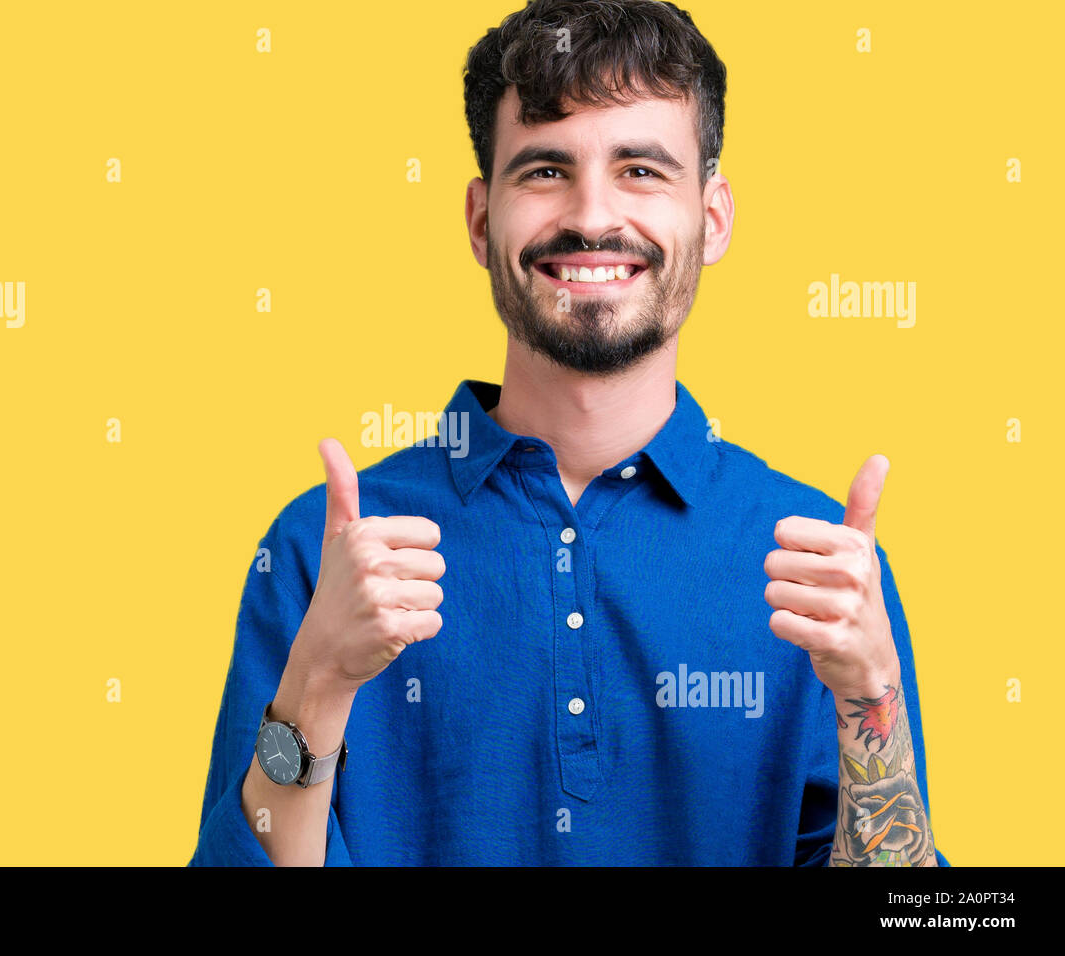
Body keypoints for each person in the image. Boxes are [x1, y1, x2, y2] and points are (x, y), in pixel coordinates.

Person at [188, 0, 945, 866]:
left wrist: (869, 702)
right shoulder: (321, 552)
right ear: (480, 220)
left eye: (642, 171)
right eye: (545, 170)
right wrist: (314, 691)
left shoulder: (819, 564)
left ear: (716, 216)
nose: (592, 216)